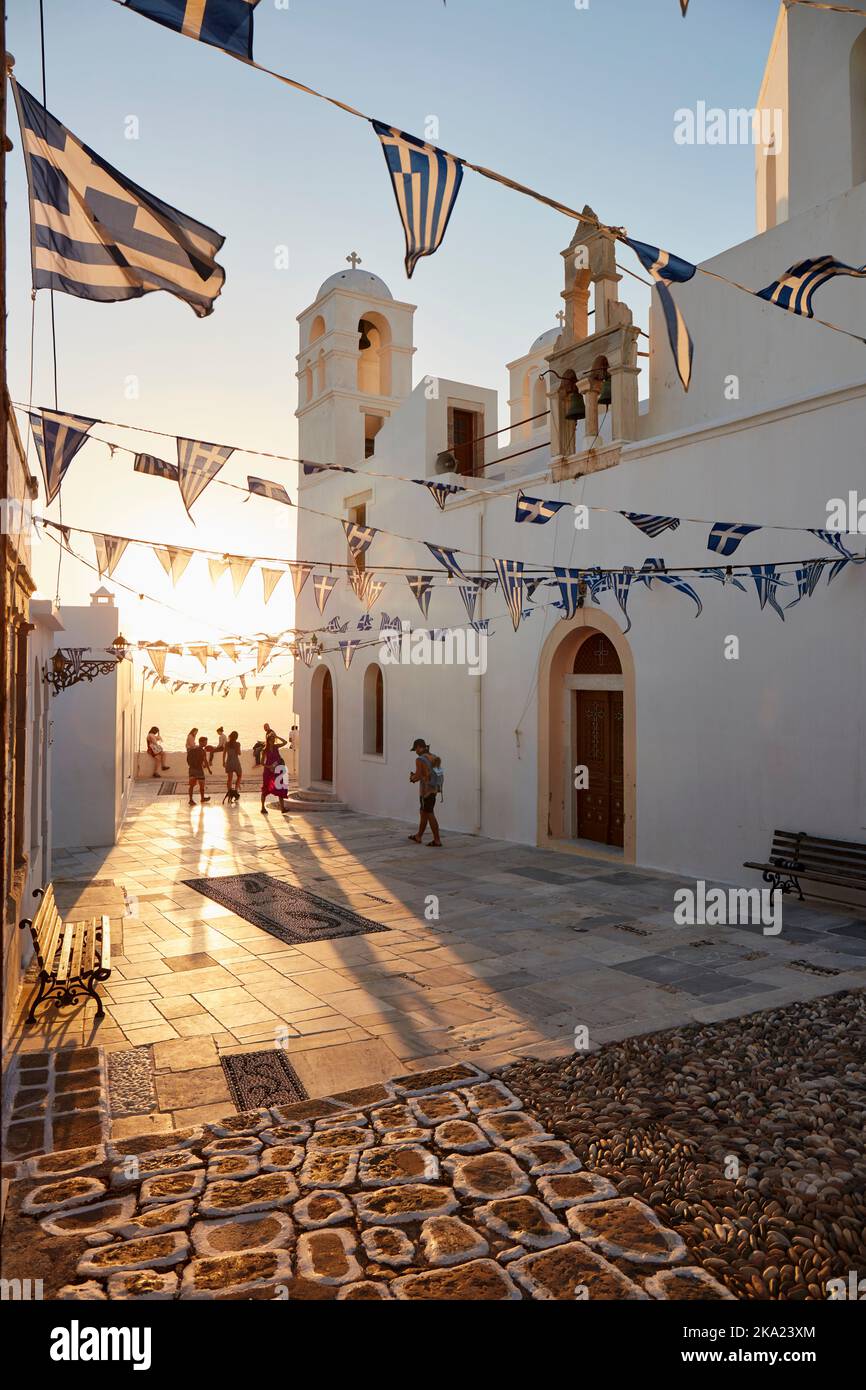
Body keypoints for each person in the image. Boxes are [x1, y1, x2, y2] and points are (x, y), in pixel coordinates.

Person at [408, 737, 442, 847]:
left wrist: (412, 778)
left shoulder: (420, 759)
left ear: (419, 747)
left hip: (425, 792)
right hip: (434, 790)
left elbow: (418, 776)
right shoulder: (434, 757)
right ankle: (418, 836)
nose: (416, 752)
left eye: (415, 749)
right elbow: (438, 773)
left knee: (429, 813)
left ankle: (437, 840)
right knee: (423, 813)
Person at [260, 729, 289, 814]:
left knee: (280, 788)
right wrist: (268, 766)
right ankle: (262, 808)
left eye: (273, 739)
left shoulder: (276, 747)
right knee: (265, 789)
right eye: (271, 739)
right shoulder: (264, 750)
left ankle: (282, 808)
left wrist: (277, 736)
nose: (272, 741)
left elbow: (285, 742)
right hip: (268, 771)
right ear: (268, 740)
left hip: (278, 770)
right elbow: (261, 762)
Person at [187, 735, 213, 806]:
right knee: (202, 785)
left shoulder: (193, 749)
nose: (206, 744)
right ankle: (202, 798)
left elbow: (188, 759)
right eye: (205, 742)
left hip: (192, 769)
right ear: (201, 742)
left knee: (191, 786)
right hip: (199, 770)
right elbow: (205, 761)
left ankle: (191, 800)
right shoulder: (202, 751)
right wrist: (209, 770)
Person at [223, 730, 242, 798]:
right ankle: (236, 790)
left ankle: (229, 791)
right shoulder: (237, 744)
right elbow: (239, 753)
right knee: (239, 775)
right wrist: (237, 749)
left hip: (229, 761)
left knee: (229, 779)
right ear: (236, 737)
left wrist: (223, 762)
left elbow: (224, 753)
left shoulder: (227, 744)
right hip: (235, 762)